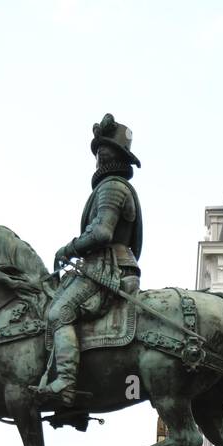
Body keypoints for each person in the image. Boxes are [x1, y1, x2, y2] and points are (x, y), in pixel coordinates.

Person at [30, 113, 143, 408]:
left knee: (58, 312)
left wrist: (69, 248)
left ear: (113, 156)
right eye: (98, 152)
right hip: (107, 267)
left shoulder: (112, 188)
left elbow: (102, 232)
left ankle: (66, 384)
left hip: (107, 270)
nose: (97, 158)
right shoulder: (111, 187)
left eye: (102, 152)